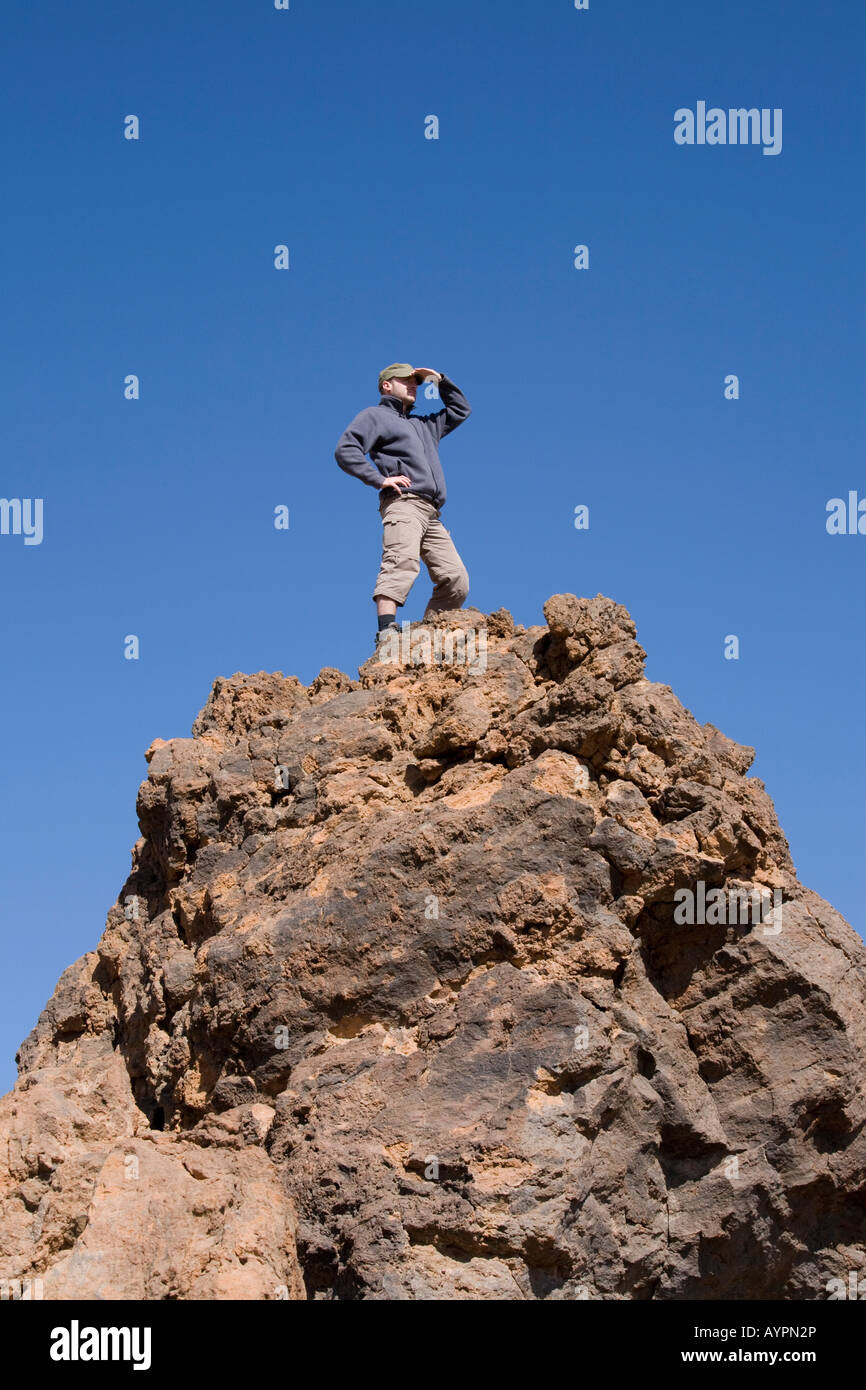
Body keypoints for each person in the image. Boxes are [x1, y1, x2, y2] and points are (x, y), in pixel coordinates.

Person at [335, 363, 472, 644]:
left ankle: (427, 636)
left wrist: (440, 380)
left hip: (432, 513)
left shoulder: (424, 424)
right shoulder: (374, 416)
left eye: (417, 383)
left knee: (456, 579)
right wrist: (378, 479)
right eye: (406, 381)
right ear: (387, 385)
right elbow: (345, 449)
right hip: (404, 503)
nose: (414, 386)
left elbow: (460, 410)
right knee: (401, 562)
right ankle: (387, 631)